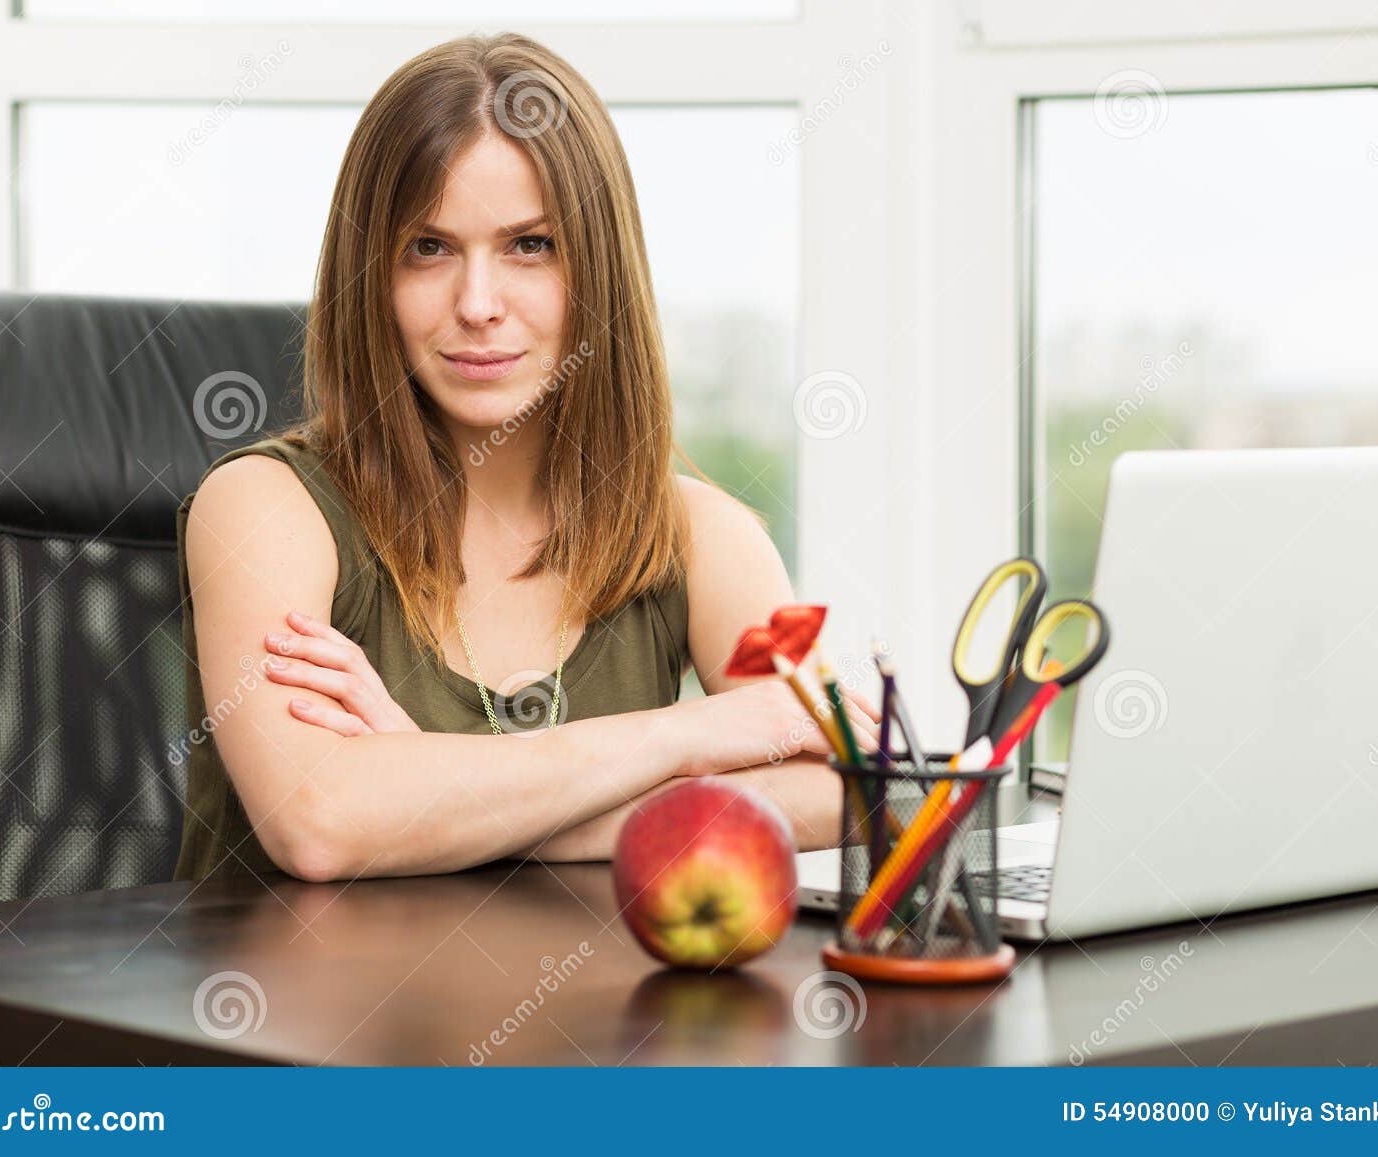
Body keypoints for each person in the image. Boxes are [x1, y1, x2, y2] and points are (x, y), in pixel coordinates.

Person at [173, 32, 877, 885]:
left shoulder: (703, 536)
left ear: (601, 271)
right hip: (298, 981)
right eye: (428, 247)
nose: (477, 304)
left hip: (599, 983)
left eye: (530, 245)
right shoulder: (262, 508)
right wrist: (682, 736)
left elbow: (847, 792)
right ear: (371, 276)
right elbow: (321, 824)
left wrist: (439, 796)